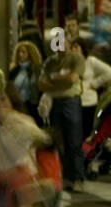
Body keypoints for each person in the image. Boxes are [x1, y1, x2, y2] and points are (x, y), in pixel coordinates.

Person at [39, 30, 86, 191]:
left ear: (69, 44)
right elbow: (41, 83)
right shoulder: (50, 62)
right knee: (60, 142)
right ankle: (66, 177)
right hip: (55, 103)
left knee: (74, 141)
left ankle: (78, 178)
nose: (60, 45)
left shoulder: (76, 59)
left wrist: (53, 79)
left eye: (63, 42)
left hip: (71, 102)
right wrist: (61, 80)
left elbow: (73, 79)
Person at [7, 41, 43, 122]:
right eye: (19, 52)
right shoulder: (14, 71)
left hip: (32, 106)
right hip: (16, 106)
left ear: (30, 53)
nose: (20, 54)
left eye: (23, 52)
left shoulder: (37, 70)